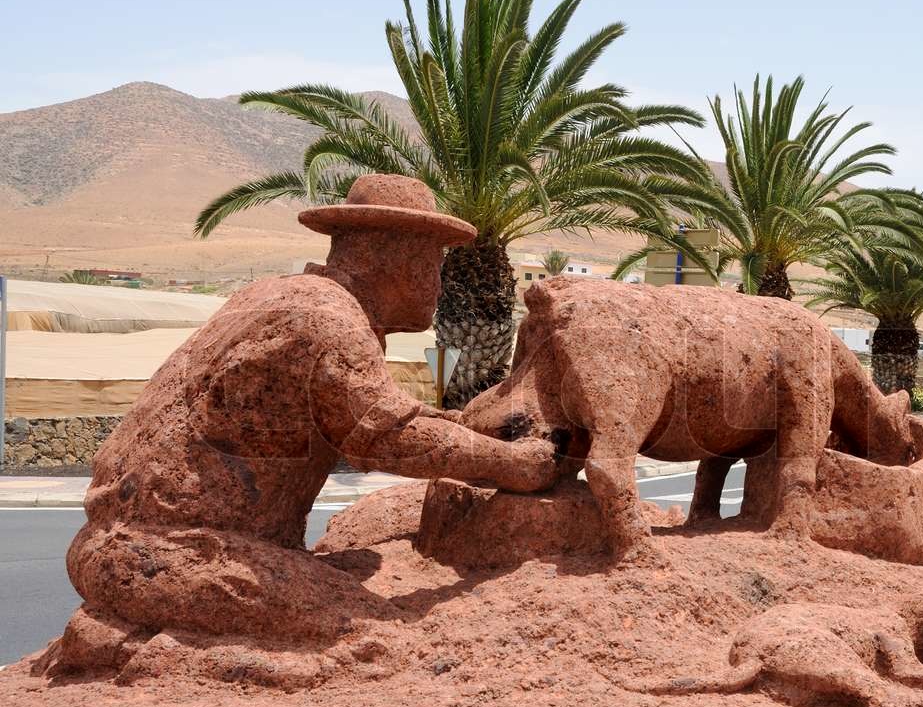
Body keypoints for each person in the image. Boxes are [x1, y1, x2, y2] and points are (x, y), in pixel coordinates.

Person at [60, 174, 554, 650]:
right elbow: (385, 436)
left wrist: (467, 429)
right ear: (395, 257)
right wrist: (514, 465)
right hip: (176, 554)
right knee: (381, 641)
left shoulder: (278, 295)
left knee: (357, 573)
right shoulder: (326, 321)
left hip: (126, 546)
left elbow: (384, 414)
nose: (439, 285)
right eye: (435, 265)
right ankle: (136, 649)